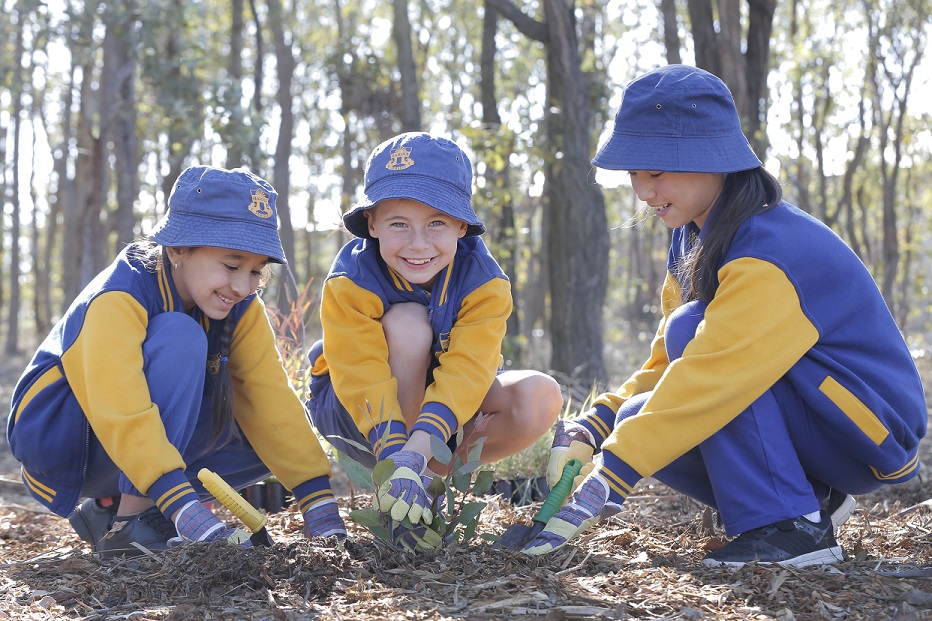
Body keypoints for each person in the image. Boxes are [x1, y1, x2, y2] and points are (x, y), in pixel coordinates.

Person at [521, 64, 927, 567]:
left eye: (655, 171)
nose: (642, 192)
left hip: (870, 427)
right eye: (633, 174)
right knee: (637, 412)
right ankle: (812, 498)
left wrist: (613, 474)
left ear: (711, 158)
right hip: (815, 416)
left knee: (695, 336)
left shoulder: (770, 250)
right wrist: (598, 424)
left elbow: (713, 368)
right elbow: (670, 358)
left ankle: (790, 529)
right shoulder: (694, 237)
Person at [6, 165, 346, 558]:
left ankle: (108, 509)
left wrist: (317, 500)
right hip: (66, 441)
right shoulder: (119, 295)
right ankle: (131, 525)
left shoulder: (239, 306)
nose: (242, 286)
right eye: (231, 265)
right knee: (180, 337)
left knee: (264, 437)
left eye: (256, 271)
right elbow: (119, 406)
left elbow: (269, 396)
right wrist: (183, 505)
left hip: (128, 451)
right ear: (178, 249)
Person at [306, 132, 563, 537]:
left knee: (539, 394)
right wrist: (395, 455)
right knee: (408, 323)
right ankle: (393, 487)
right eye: (399, 224)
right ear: (371, 223)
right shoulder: (349, 282)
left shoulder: (485, 284)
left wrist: (420, 449)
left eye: (437, 223)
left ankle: (424, 481)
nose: (419, 243)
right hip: (357, 411)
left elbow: (468, 370)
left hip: (438, 412)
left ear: (462, 225)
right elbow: (359, 373)